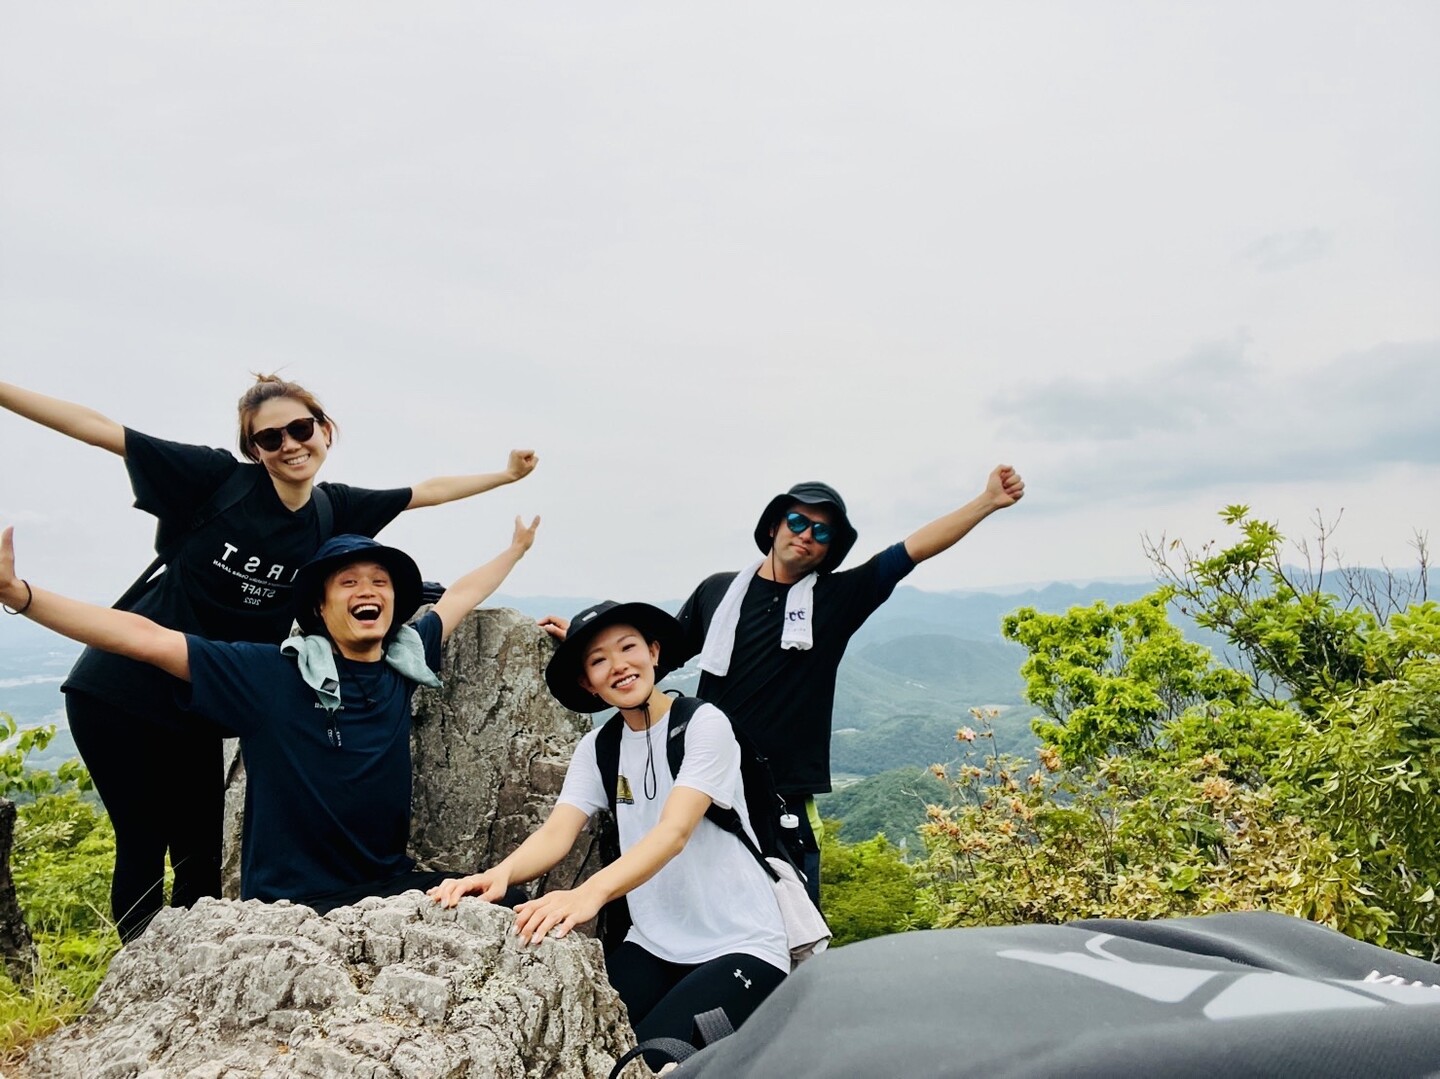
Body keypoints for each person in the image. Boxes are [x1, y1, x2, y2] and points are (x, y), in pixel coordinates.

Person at [0, 376, 538, 939]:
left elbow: (424, 493)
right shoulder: (218, 481)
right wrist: (24, 595)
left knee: (199, 850)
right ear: (253, 450)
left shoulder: (334, 510)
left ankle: (193, 966)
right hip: (123, 686)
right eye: (269, 438)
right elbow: (99, 430)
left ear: (325, 431)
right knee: (142, 839)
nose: (289, 445)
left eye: (301, 429)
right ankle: (138, 974)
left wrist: (505, 477)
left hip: (205, 693)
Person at [538, 467, 1025, 904]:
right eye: (797, 521)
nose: (807, 535)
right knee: (699, 899)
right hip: (705, 780)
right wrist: (588, 644)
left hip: (782, 793)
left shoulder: (837, 600)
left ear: (830, 548)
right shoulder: (719, 593)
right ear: (773, 527)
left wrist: (985, 502)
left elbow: (909, 552)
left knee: (789, 911)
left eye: (821, 531)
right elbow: (654, 660)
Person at [0, 518, 539, 911]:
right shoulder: (270, 675)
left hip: (384, 884)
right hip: (293, 903)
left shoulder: (405, 658)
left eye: (380, 581)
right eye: (348, 583)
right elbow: (145, 639)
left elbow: (462, 596)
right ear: (320, 608)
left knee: (505, 899)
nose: (368, 591)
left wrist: (514, 550)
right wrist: (20, 595)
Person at [430, 601, 789, 1057]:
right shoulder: (599, 748)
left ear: (654, 652)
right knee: (574, 1043)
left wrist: (589, 894)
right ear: (588, 683)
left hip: (741, 942)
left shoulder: (703, 725)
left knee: (647, 1059)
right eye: (599, 660)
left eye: (628, 648)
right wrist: (500, 874)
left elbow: (673, 833)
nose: (618, 666)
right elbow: (558, 832)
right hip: (655, 942)